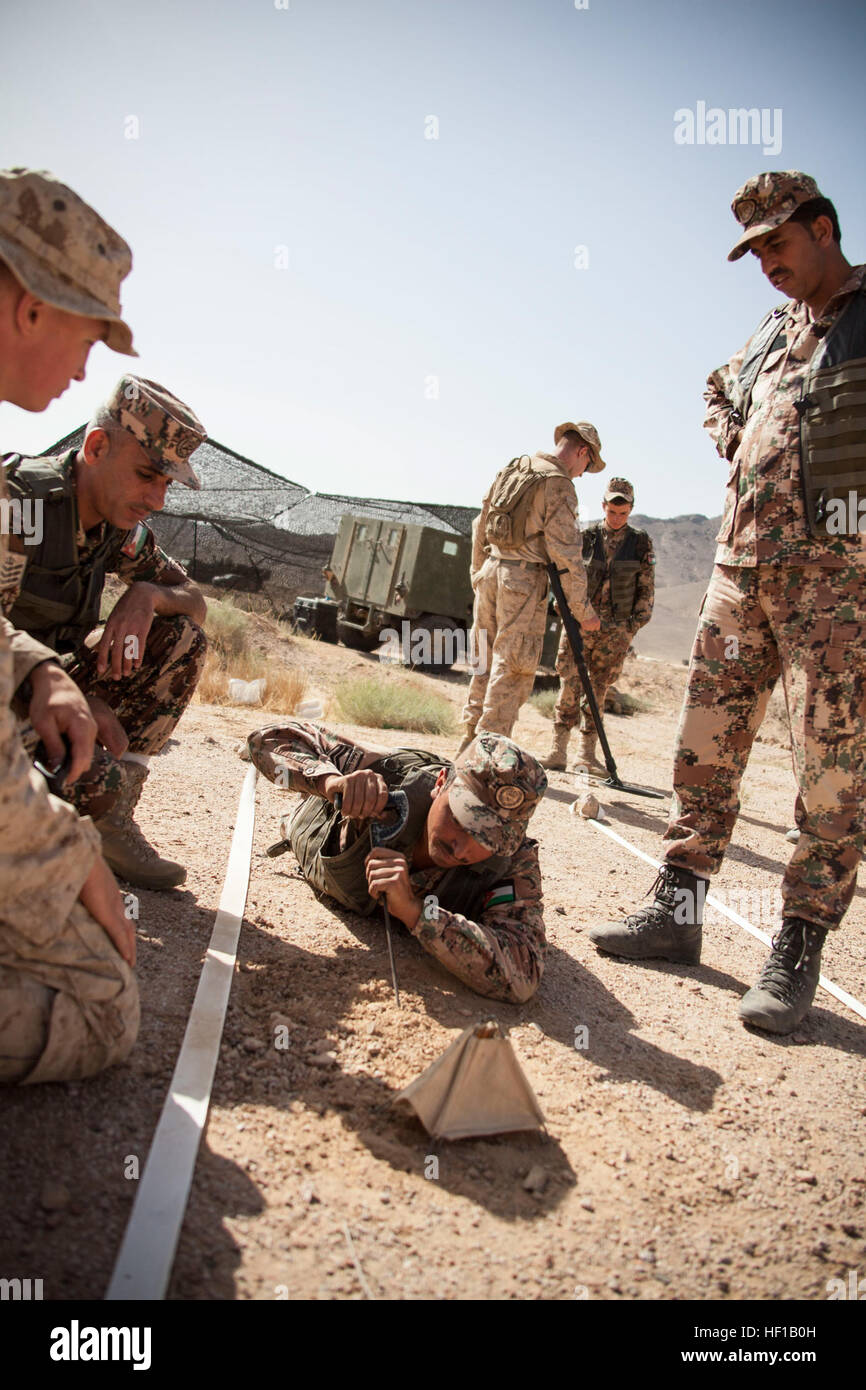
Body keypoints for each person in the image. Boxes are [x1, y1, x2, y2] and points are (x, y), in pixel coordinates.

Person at [590, 171, 866, 1036]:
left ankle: (798, 944)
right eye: (753, 253)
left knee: (832, 768)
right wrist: (735, 432)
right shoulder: (771, 331)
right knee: (704, 746)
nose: (766, 265)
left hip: (840, 583)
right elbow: (716, 388)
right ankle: (677, 911)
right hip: (741, 567)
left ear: (823, 228)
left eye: (777, 245)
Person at [0, 166, 138, 1082]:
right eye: (87, 338)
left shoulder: (123, 533)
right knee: (105, 1006)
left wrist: (36, 667)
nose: (86, 371)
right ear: (29, 309)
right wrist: (71, 858)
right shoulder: (23, 495)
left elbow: (182, 596)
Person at [3, 374, 208, 890]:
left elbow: (196, 601)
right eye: (147, 475)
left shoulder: (119, 529)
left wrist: (147, 595)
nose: (157, 499)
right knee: (81, 782)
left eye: (167, 483)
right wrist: (56, 683)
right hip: (15, 687)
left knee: (181, 635)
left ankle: (111, 816)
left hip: (46, 688)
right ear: (96, 447)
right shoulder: (21, 505)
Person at [248, 722, 549, 1003]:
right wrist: (331, 783)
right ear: (441, 783)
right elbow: (269, 738)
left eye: (487, 839)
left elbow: (523, 972)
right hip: (310, 826)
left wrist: (418, 913)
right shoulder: (392, 773)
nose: (461, 847)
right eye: (460, 818)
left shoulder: (512, 858)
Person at [458, 422, 604, 752]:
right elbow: (566, 554)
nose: (582, 474)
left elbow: (479, 522)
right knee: (514, 667)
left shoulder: (515, 468)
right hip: (522, 582)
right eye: (587, 466)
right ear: (582, 451)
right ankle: (485, 757)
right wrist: (583, 612)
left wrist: (477, 571)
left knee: (484, 660)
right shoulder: (558, 484)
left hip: (491, 573)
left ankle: (469, 738)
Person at [543, 476, 655, 772]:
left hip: (614, 631)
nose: (617, 517)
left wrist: (631, 627)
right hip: (579, 625)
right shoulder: (587, 537)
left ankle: (586, 755)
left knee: (599, 689)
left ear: (630, 509)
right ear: (604, 505)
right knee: (569, 684)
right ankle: (558, 752)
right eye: (612, 510)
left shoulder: (640, 542)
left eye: (623, 512)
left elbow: (646, 589)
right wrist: (564, 607)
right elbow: (568, 575)